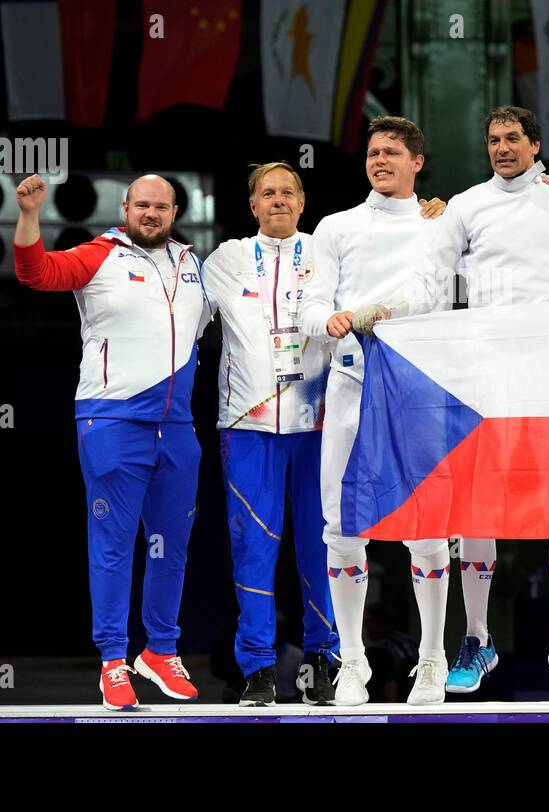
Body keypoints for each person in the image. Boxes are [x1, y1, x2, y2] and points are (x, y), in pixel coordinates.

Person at [351, 106, 549, 696]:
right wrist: (391, 309)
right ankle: (478, 637)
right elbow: (431, 275)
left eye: (513, 138)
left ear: (535, 144)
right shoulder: (464, 205)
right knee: (477, 506)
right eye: (493, 140)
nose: (502, 148)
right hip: (487, 371)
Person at [13, 173, 212, 711]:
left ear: (174, 212)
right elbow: (35, 272)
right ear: (125, 208)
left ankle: (160, 651)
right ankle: (112, 662)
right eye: (141, 204)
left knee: (171, 545)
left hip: (177, 428)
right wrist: (30, 216)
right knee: (114, 545)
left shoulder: (194, 266)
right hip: (112, 421)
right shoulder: (98, 257)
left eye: (161, 206)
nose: (151, 213)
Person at [298, 116, 453, 706]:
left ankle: (434, 660)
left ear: (418, 161)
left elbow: (436, 293)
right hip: (351, 385)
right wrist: (332, 320)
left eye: (392, 152)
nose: (379, 160)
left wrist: (375, 311)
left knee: (427, 524)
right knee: (340, 527)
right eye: (372, 152)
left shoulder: (442, 224)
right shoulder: (336, 227)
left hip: (419, 388)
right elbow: (312, 306)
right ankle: (354, 663)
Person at [202, 162, 339, 706]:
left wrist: (431, 218)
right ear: (252, 205)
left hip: (320, 422)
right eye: (266, 193)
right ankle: (257, 667)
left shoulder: (329, 251)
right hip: (247, 423)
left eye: (287, 192)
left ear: (302, 202)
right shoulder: (224, 260)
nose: (277, 200)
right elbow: (180, 309)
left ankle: (323, 661)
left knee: (319, 545)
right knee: (253, 548)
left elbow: (393, 268)